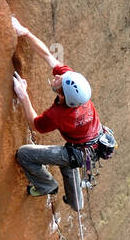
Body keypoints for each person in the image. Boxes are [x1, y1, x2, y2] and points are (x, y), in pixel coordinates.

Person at [10, 17, 115, 203]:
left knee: (25, 154)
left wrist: (23, 95)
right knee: (69, 163)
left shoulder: (59, 114)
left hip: (78, 152)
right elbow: (48, 57)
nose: (58, 76)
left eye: (60, 80)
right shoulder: (73, 86)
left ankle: (46, 185)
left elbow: (35, 125)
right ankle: (77, 203)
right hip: (90, 146)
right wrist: (24, 32)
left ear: (63, 95)